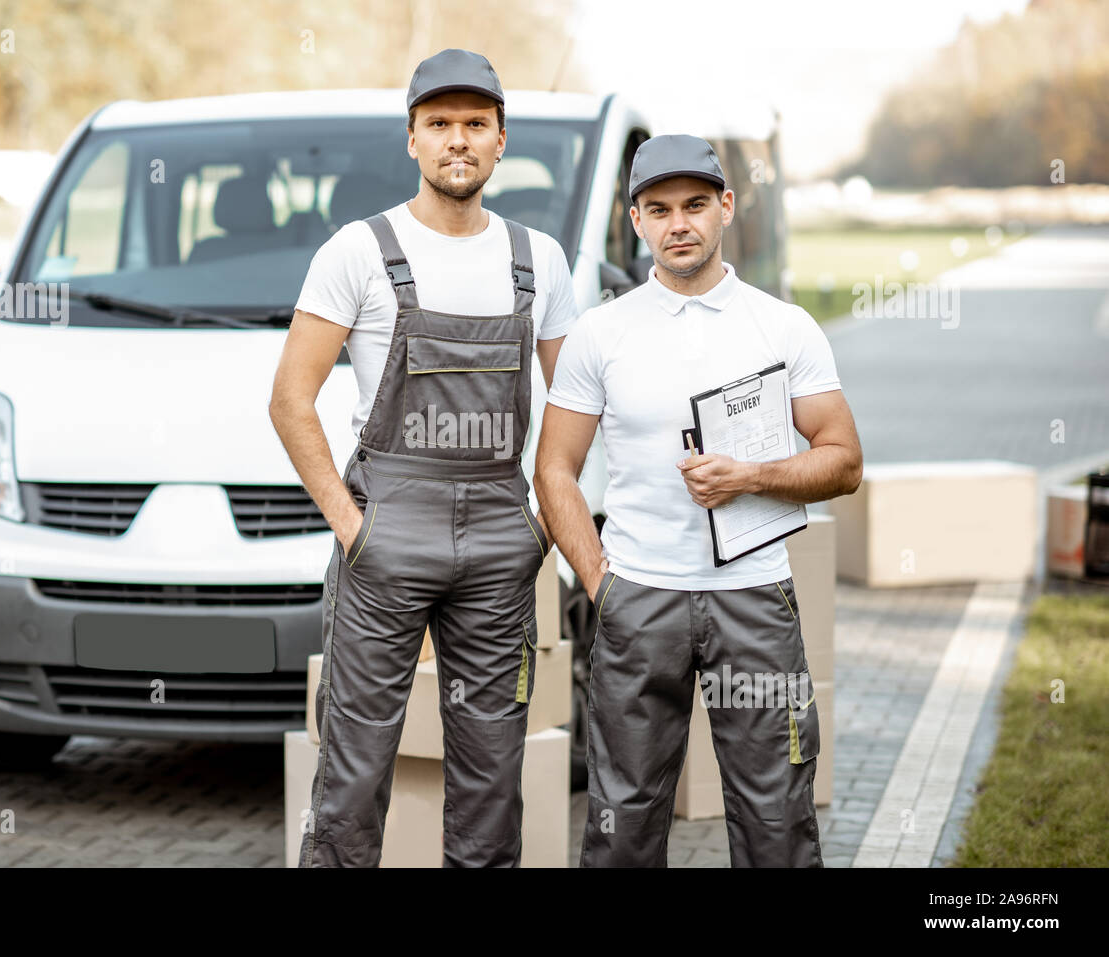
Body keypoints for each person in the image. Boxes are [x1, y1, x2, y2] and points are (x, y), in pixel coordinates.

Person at [269, 48, 580, 867]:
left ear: (502, 139)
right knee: (352, 776)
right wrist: (352, 526)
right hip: (384, 540)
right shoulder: (358, 252)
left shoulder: (538, 260)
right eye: (439, 123)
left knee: (490, 785)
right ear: (411, 138)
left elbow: (579, 406)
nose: (458, 140)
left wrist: (544, 522)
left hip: (498, 546)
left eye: (476, 124)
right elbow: (289, 399)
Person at [534, 133, 863, 867]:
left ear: (726, 207)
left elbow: (844, 461)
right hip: (640, 598)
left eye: (693, 205)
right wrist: (602, 583)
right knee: (623, 820)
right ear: (636, 221)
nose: (678, 223)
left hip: (754, 597)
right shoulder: (602, 332)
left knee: (777, 820)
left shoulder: (782, 326)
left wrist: (750, 477)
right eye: (658, 209)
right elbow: (554, 467)